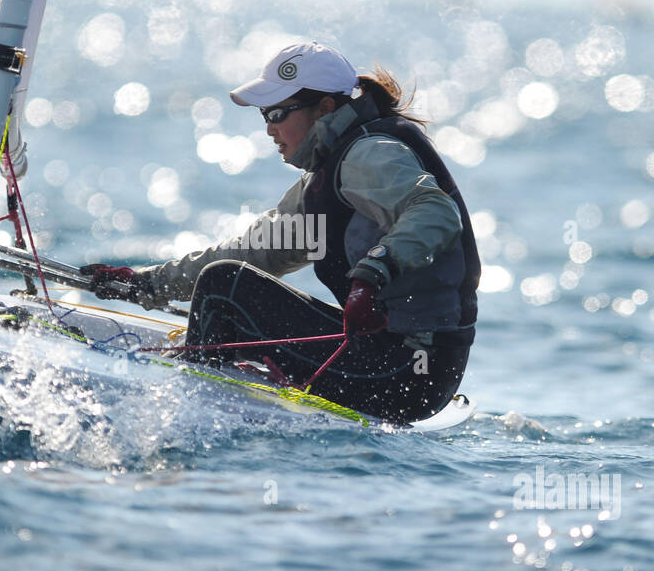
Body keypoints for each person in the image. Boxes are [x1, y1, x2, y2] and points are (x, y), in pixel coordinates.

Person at [82, 41, 480, 424]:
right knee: (225, 279)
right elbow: (250, 253)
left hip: (406, 375)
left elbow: (435, 213)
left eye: (277, 114)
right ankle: (202, 369)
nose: (269, 128)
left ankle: (187, 397)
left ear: (325, 108)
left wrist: (373, 273)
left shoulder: (368, 154)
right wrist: (145, 284)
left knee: (224, 286)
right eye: (264, 114)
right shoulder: (332, 175)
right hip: (403, 368)